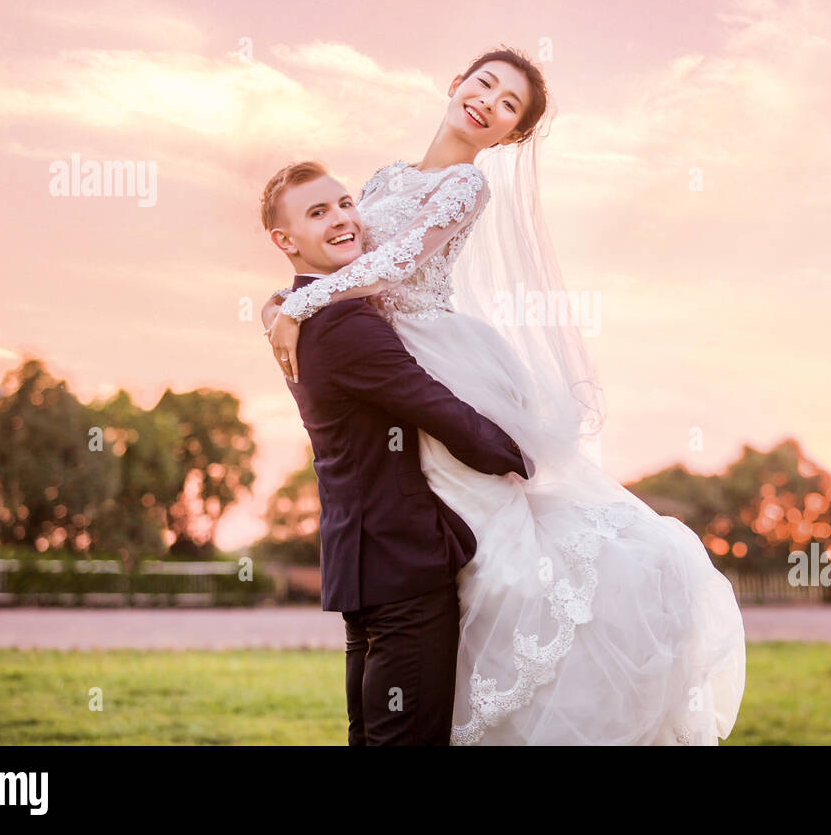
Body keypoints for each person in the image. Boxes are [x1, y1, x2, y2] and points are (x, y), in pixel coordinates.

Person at [263, 47, 746, 744]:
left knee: (494, 524)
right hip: (375, 349)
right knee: (427, 510)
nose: (489, 100)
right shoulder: (385, 177)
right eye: (484, 83)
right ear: (454, 82)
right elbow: (332, 246)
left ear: (509, 135)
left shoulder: (465, 187)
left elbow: (392, 264)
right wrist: (286, 299)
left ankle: (510, 665)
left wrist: (297, 306)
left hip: (426, 345)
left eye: (509, 105)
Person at [261, 160, 531, 745]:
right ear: (285, 241)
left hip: (361, 569)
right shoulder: (343, 325)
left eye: (343, 203)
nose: (341, 219)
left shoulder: (300, 317)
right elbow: (438, 409)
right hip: (403, 569)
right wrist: (523, 457)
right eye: (317, 213)